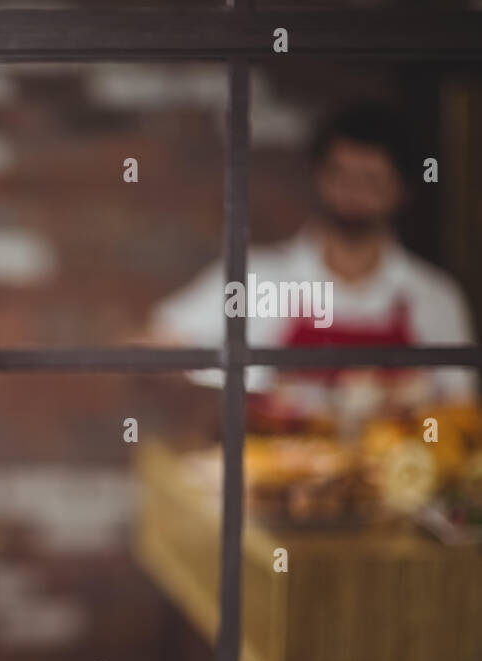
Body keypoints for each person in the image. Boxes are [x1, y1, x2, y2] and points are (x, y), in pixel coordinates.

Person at [147, 101, 478, 429]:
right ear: (320, 176)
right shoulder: (258, 278)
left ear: (402, 189)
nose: (353, 193)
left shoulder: (435, 297)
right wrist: (199, 368)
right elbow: (155, 348)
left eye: (371, 180)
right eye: (341, 175)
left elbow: (461, 412)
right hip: (276, 478)